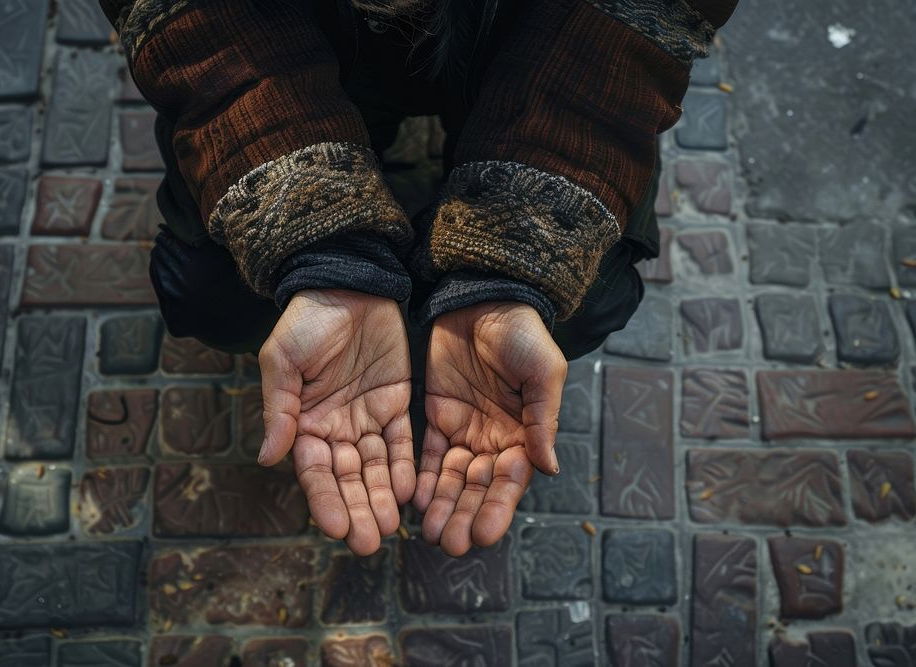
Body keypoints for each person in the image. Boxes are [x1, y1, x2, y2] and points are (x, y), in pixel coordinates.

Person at [99, 0, 738, 557]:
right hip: (284, 29)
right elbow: (203, 26)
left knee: (591, 302)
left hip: (556, 40)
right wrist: (323, 248)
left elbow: (630, 27)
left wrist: (505, 268)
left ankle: (457, 247)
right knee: (209, 294)